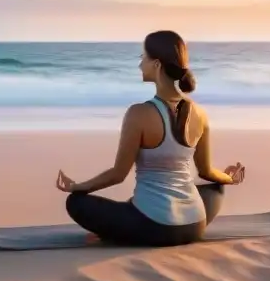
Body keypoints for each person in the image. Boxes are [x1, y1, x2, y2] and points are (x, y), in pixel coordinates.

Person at [56, 30, 245, 247]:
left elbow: (118, 175)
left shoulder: (139, 114)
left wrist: (78, 187)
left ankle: (119, 231)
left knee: (76, 202)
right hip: (195, 224)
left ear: (156, 64)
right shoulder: (200, 114)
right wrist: (229, 178)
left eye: (142, 58)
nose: (139, 65)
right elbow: (206, 172)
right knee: (216, 186)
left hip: (154, 228)